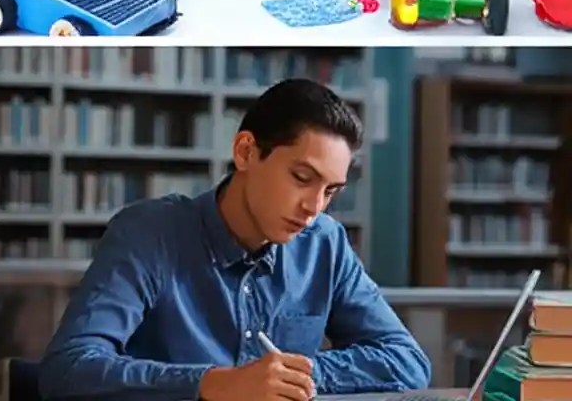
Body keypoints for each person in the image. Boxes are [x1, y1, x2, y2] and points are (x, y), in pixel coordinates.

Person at [39, 79, 431, 400]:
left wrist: (298, 375)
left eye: (331, 191)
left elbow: (408, 362)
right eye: (301, 178)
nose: (315, 207)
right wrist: (214, 383)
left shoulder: (324, 243)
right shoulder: (149, 234)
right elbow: (68, 369)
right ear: (246, 152)